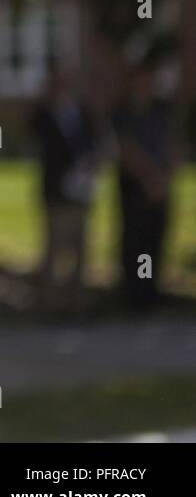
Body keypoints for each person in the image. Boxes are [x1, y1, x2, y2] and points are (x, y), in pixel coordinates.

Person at [29, 64, 103, 310]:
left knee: (80, 247)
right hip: (56, 192)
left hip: (81, 190)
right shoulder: (44, 114)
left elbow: (98, 141)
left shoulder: (82, 111)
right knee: (54, 248)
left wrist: (90, 164)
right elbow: (34, 133)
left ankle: (76, 300)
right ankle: (49, 301)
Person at [113, 56, 177, 311]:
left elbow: (172, 146)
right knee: (134, 241)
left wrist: (164, 178)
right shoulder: (123, 111)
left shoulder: (161, 110)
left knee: (156, 240)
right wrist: (150, 177)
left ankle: (151, 293)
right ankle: (134, 295)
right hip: (135, 188)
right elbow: (126, 150)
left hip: (159, 187)